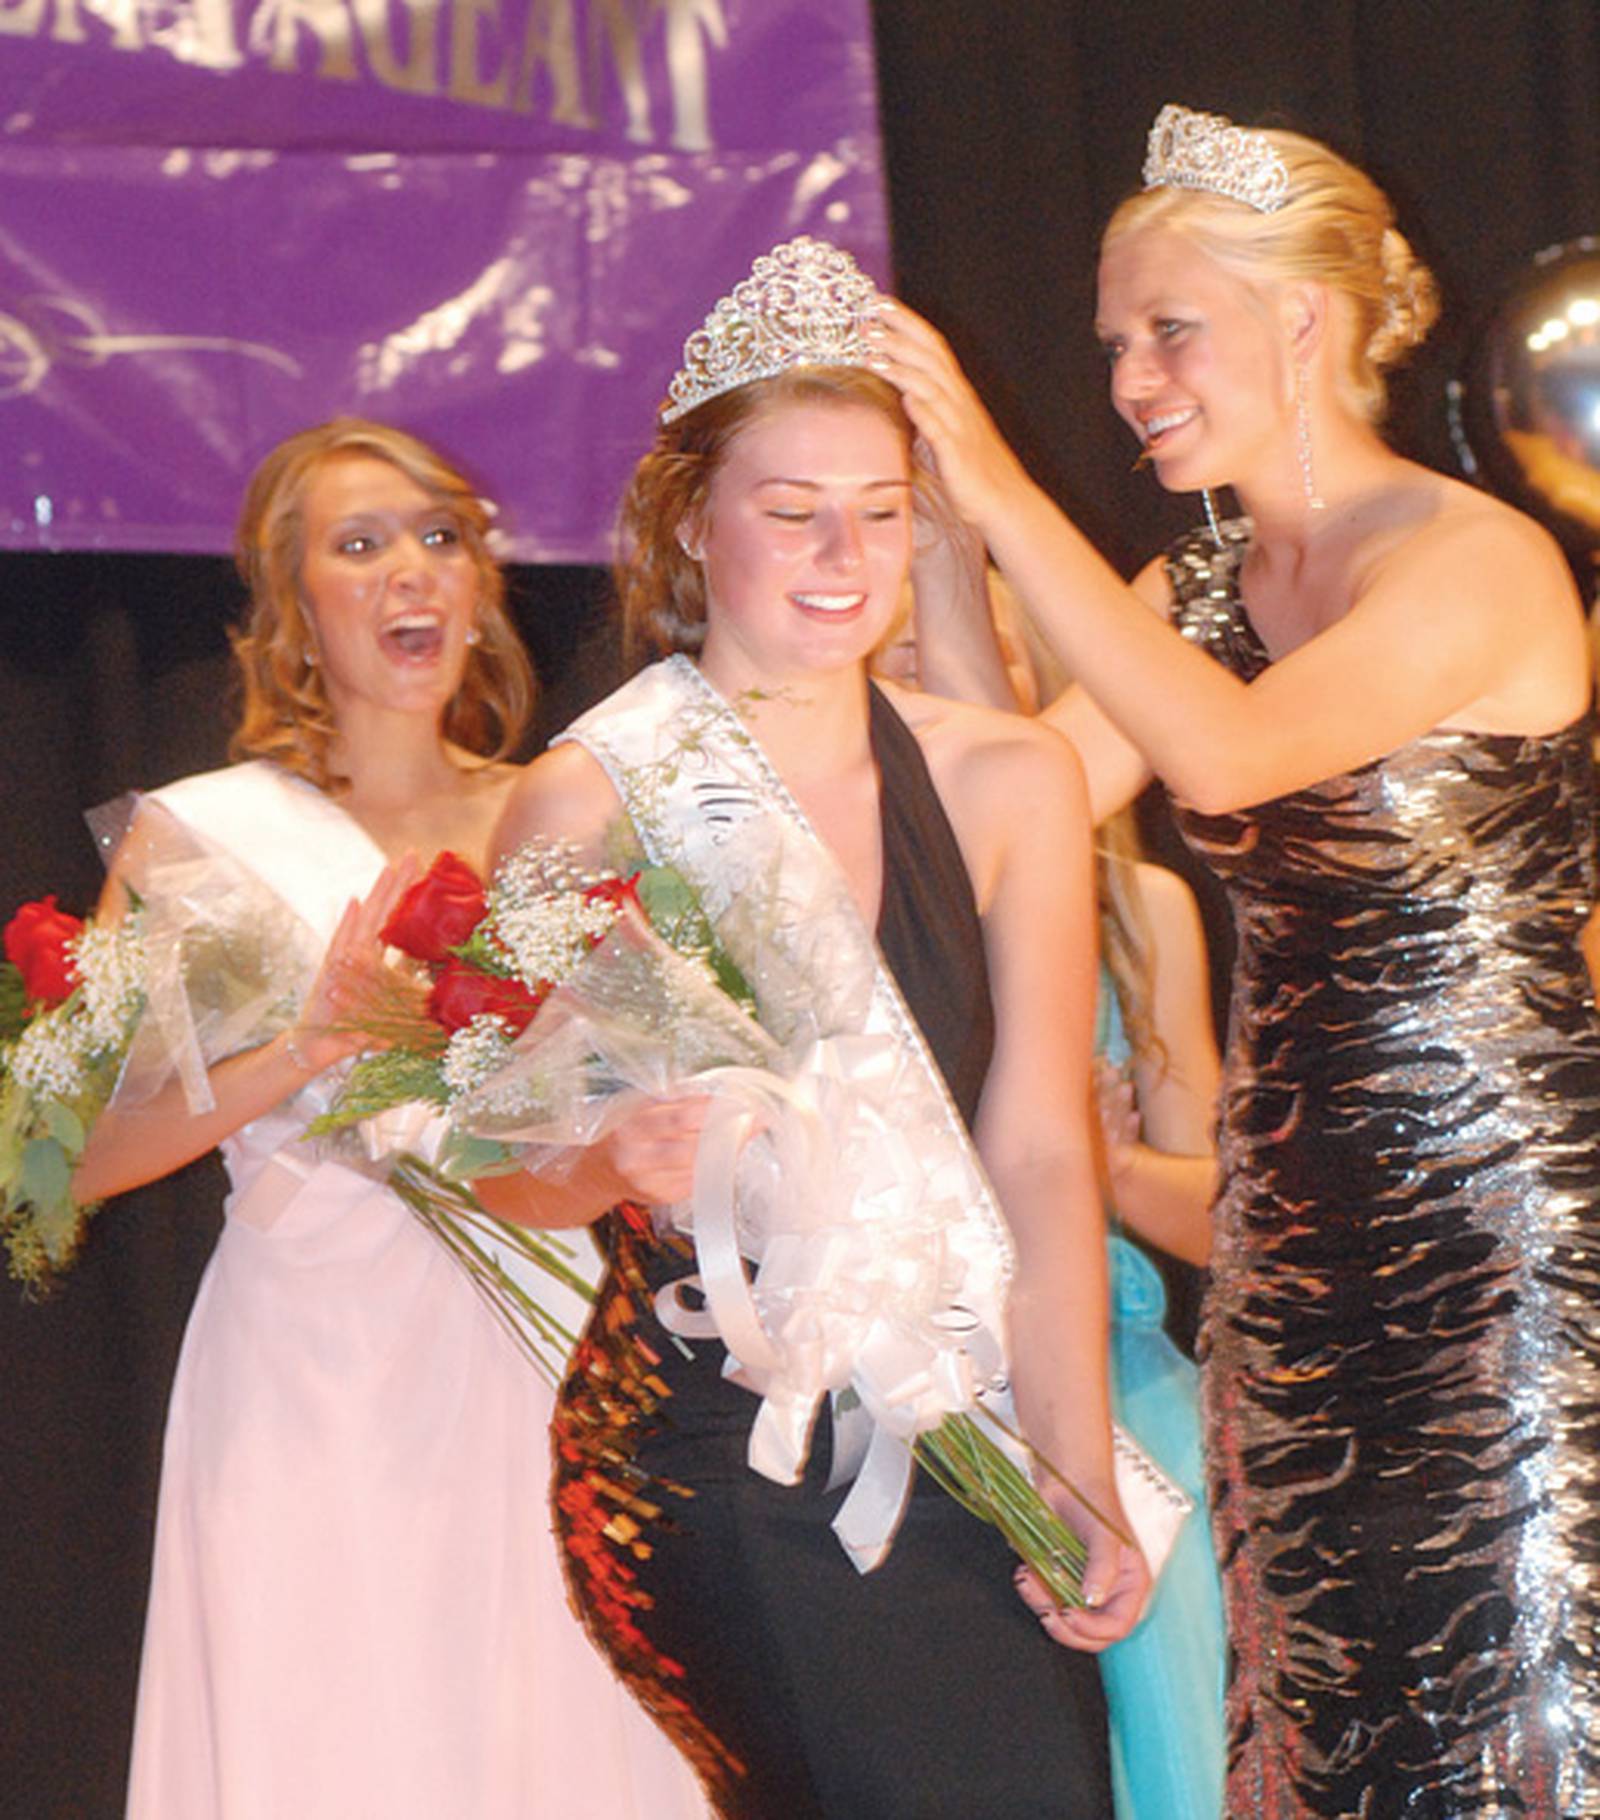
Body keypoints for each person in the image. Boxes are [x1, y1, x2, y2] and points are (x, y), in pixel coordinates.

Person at [877, 104, 1600, 1816]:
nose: (1132, 377)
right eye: (1116, 342)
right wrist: (940, 552)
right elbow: (1029, 804)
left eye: (1167, 330)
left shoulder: (1470, 560)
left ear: (1302, 320)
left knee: (1524, 1711)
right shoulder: (1193, 584)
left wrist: (1001, 484)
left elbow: (1222, 759)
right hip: (1288, 1265)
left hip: (1499, 1255)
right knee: (1324, 1728)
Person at [479, 236, 1149, 1818]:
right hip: (726, 1450)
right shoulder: (588, 795)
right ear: (692, 525)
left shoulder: (1007, 781)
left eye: (882, 508)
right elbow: (495, 1149)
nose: (844, 552)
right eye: (792, 511)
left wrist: (1075, 1466)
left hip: (963, 1437)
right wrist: (603, 1156)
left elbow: (1042, 1151)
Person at [70, 419, 709, 1820]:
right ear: (294, 610)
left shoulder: (569, 814)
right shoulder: (201, 837)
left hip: (544, 1338)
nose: (411, 571)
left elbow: (621, 1115)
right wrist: (305, 1044)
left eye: (440, 537)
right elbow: (70, 1159)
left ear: (480, 587)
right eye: (360, 546)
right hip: (308, 1374)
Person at [873, 593, 1226, 1819]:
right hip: (898, 1396)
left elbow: (1224, 1221)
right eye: (889, 645)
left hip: (1121, 1399)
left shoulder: (1142, 908)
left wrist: (1109, 1168)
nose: (924, 663)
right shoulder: (833, 904)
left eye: (964, 633)